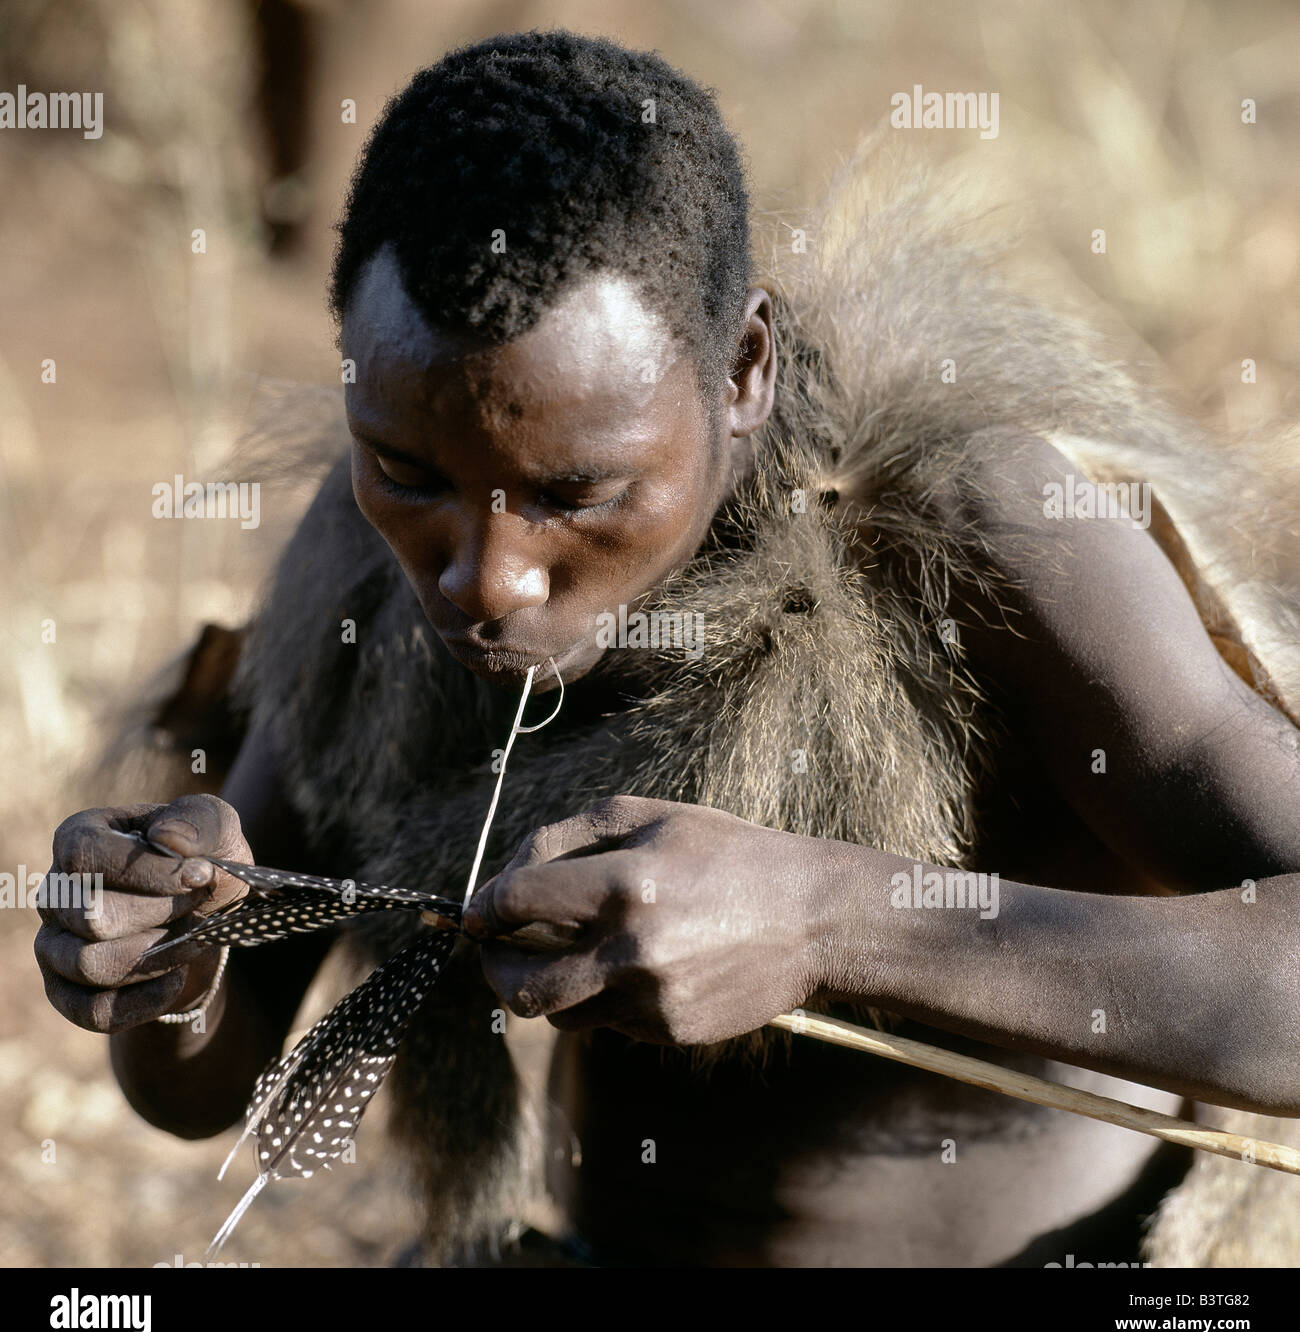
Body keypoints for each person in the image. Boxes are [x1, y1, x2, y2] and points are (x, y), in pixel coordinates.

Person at [36, 30, 1300, 1267]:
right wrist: (178, 968)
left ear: (742, 372)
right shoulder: (360, 558)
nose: (486, 577)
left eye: (578, 491)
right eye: (406, 471)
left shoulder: (978, 534)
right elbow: (205, 1082)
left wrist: (827, 917)